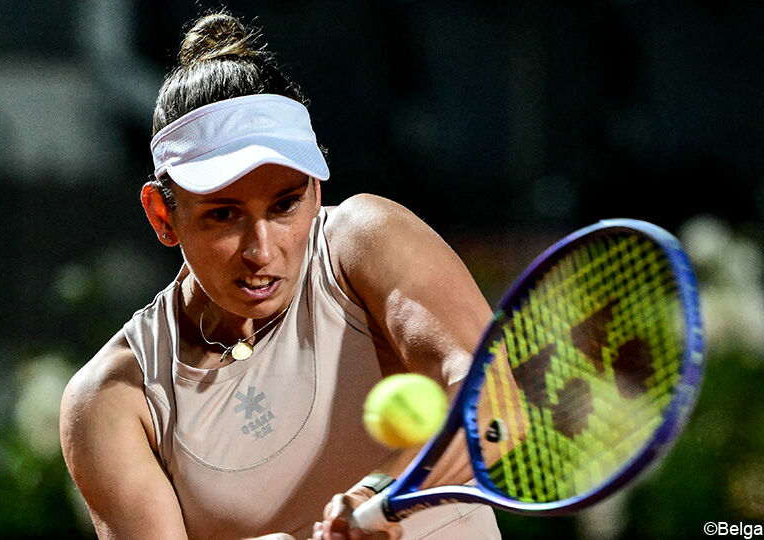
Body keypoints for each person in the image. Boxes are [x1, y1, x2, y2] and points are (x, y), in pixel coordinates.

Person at [60, 10, 502, 540]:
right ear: (162, 216)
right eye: (223, 214)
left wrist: (377, 496)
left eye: (286, 205)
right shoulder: (111, 401)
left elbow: (494, 406)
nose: (261, 250)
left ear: (317, 191)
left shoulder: (366, 239)